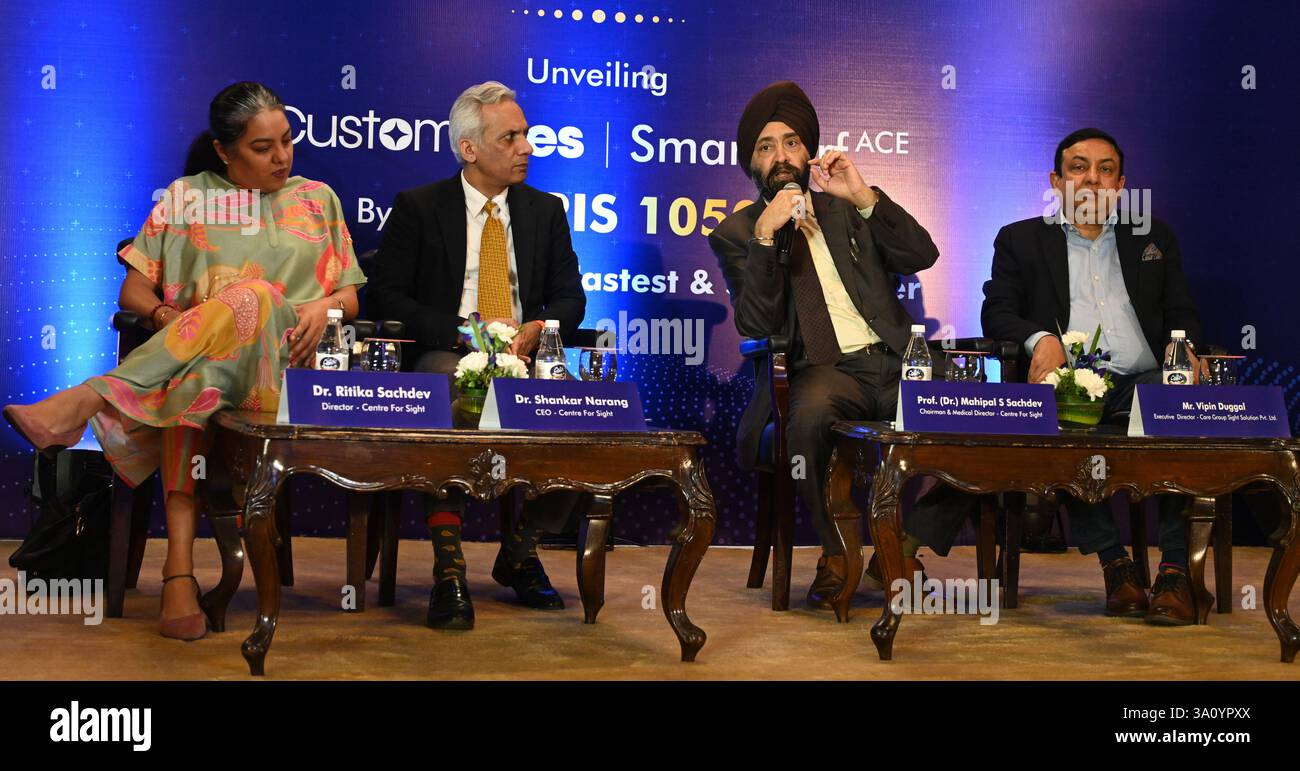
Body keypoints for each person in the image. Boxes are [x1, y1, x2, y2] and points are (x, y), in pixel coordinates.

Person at [3, 81, 366, 640]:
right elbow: (134, 293)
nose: (283, 157)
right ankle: (179, 575)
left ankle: (90, 398)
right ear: (224, 151)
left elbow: (350, 295)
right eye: (263, 147)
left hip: (289, 372)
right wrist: (166, 320)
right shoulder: (185, 198)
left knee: (256, 295)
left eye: (287, 141)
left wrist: (322, 305)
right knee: (199, 376)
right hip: (200, 368)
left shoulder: (317, 198)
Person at [709, 81, 944, 609]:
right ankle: (839, 549)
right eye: (766, 147)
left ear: (809, 149)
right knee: (809, 418)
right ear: (752, 162)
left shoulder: (845, 206)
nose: (781, 157)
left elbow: (921, 254)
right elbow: (757, 324)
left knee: (986, 419)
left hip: (898, 361)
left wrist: (862, 195)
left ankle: (902, 547)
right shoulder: (739, 231)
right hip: (822, 370)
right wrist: (767, 239)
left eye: (791, 142)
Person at [367, 81, 588, 630]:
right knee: (449, 393)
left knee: (581, 412)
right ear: (469, 148)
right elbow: (385, 296)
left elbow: (571, 297)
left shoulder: (545, 211)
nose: (527, 147)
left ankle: (521, 549)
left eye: (527, 135)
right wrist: (463, 335)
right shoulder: (419, 207)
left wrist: (540, 326)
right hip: (447, 353)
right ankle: (450, 567)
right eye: (509, 137)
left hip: (523, 356)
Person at [979, 127, 1206, 624]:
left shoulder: (1153, 237)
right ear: (1056, 181)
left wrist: (1182, 345)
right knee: (1064, 419)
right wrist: (1042, 339)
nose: (1092, 180)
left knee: (1175, 411)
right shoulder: (1020, 239)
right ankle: (1116, 566)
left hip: (1146, 380)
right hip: (1073, 382)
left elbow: (1181, 310)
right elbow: (998, 313)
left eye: (1106, 170)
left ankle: (1172, 572)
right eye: (1078, 168)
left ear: (1121, 185)